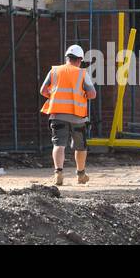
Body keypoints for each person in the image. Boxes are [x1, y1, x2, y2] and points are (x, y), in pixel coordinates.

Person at [40, 44, 96, 186]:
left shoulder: (54, 71)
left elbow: (43, 90)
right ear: (79, 60)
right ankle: (81, 175)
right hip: (77, 117)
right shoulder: (82, 73)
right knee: (80, 147)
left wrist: (53, 95)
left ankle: (58, 173)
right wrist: (81, 95)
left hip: (57, 114)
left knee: (58, 144)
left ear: (66, 58)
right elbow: (92, 94)